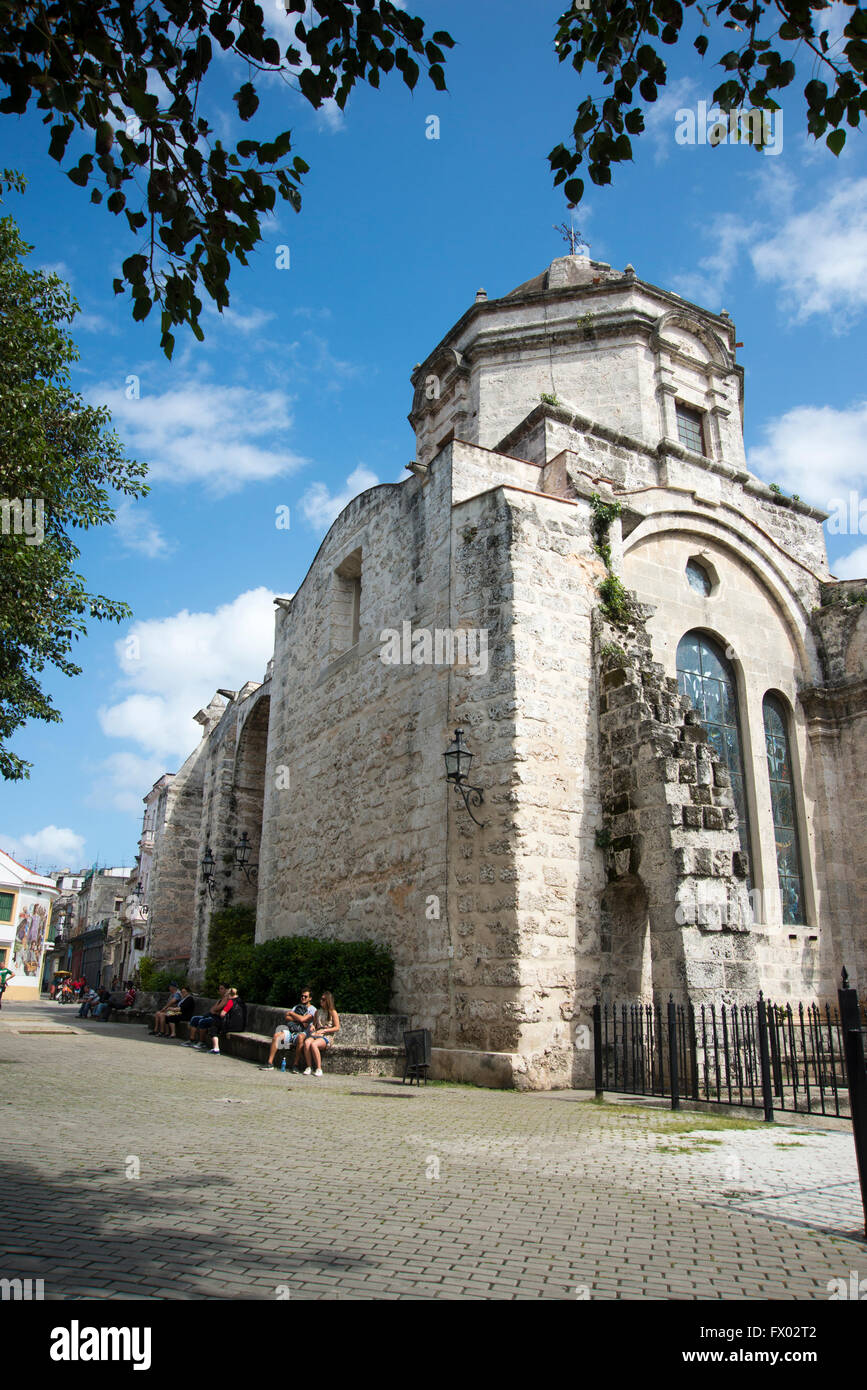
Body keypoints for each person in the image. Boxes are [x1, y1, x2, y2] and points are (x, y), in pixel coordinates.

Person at [259, 988, 316, 1071]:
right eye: (302, 996)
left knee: (300, 1038)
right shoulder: (296, 1007)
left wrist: (293, 1014)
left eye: (305, 996)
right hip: (291, 1031)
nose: (303, 998)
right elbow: (287, 1017)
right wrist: (299, 1019)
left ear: (310, 998)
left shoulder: (313, 1010)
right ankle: (270, 1063)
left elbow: (302, 1019)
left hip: (302, 1033)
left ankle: (295, 1065)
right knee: (276, 1035)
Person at [301, 991, 340, 1077]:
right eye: (321, 999)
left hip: (327, 1035)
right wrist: (313, 1027)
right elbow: (314, 1025)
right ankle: (309, 1067)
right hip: (317, 1033)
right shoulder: (317, 1012)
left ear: (328, 1001)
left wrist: (325, 1031)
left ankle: (319, 1068)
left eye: (323, 999)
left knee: (314, 1045)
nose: (321, 1001)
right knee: (307, 1042)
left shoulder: (333, 1012)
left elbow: (337, 1027)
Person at [208, 988, 246, 1055]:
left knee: (214, 1025)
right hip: (241, 1026)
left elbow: (222, 1014)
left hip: (231, 1026)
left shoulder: (231, 1002)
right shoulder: (241, 1002)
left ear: (229, 994)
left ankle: (216, 1048)